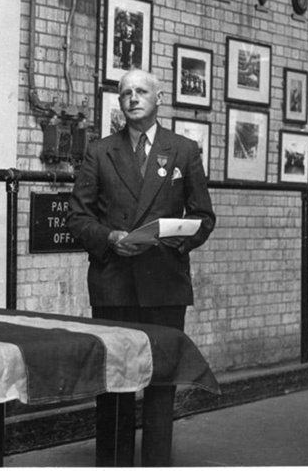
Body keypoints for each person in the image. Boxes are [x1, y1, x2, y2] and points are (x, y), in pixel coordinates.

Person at [67, 69, 215, 467]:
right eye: (126, 93)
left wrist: (173, 238)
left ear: (159, 98)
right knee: (113, 382)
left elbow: (203, 216)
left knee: (161, 383)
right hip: (113, 283)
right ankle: (112, 462)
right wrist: (110, 238)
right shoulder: (100, 152)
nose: (133, 98)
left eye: (142, 91)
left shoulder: (184, 150)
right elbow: (78, 218)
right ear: (120, 102)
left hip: (164, 282)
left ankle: (155, 462)